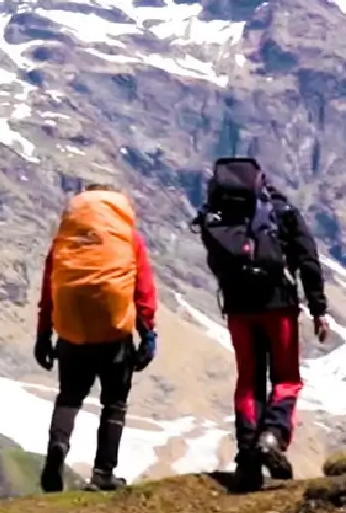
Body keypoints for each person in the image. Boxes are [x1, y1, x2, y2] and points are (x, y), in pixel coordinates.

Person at [190, 157, 329, 491]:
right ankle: (273, 435)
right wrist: (318, 308)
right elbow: (307, 260)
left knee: (249, 381)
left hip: (239, 307)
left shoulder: (218, 215)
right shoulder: (282, 212)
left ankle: (248, 461)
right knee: (286, 379)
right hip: (277, 305)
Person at [34, 183, 159, 493]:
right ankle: (103, 473)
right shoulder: (126, 236)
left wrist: (43, 334)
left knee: (69, 396)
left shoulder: (66, 238)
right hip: (113, 332)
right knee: (114, 403)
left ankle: (58, 448)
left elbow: (50, 287)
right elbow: (143, 287)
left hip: (72, 330)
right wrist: (148, 334)